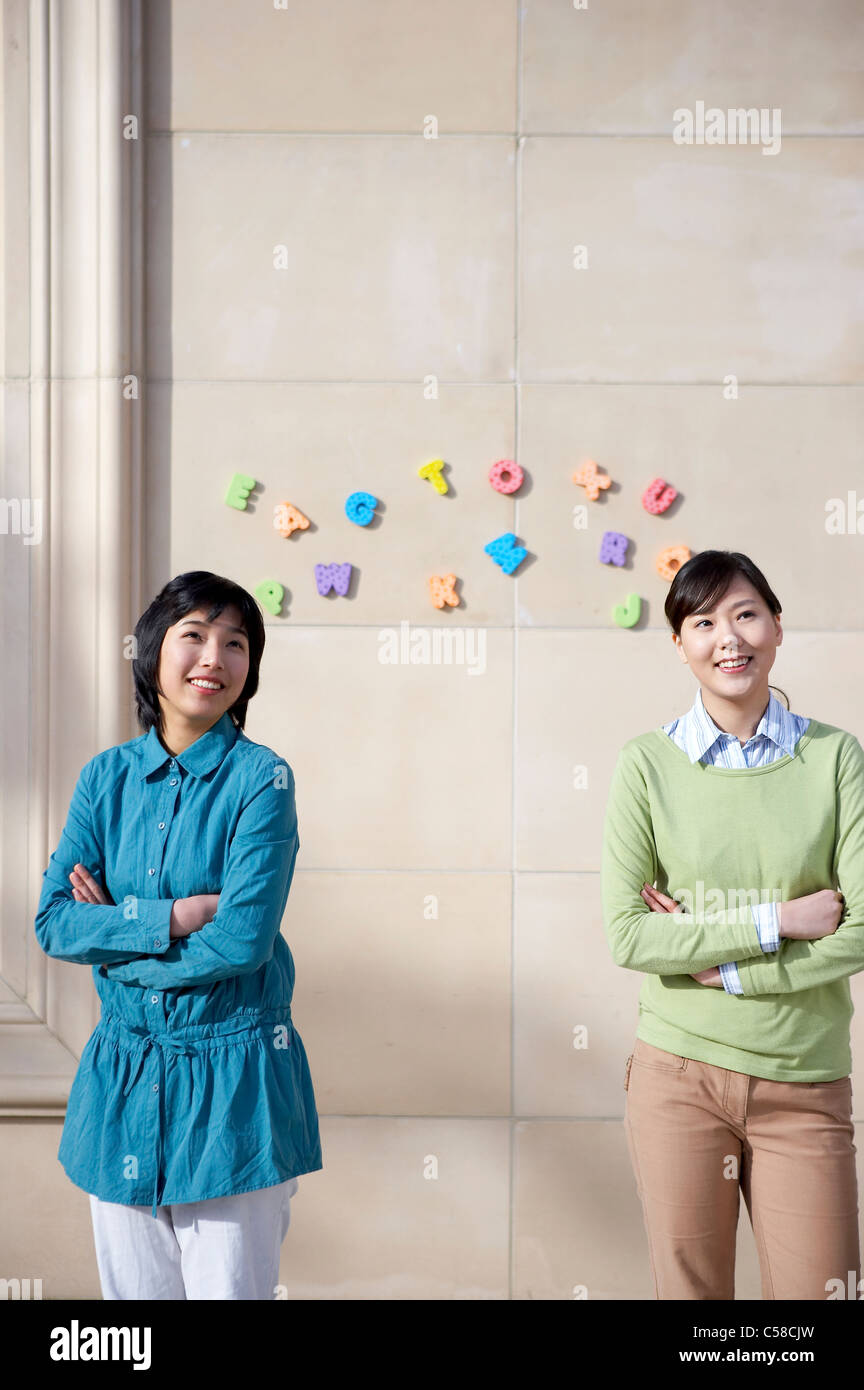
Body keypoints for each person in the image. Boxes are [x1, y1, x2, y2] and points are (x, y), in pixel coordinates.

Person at [34, 570, 322, 1300]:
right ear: (153, 652)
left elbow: (240, 944)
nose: (213, 659)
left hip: (233, 1089)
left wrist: (115, 945)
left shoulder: (263, 782)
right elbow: (54, 922)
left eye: (235, 644)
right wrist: (166, 918)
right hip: (122, 1082)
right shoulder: (106, 779)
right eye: (194, 635)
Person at [601, 549, 862, 1301]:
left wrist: (728, 965)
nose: (728, 638)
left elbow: (862, 927)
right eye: (703, 621)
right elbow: (630, 935)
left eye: (745, 614)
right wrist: (779, 920)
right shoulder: (645, 765)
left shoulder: (836, 758)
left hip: (804, 1081)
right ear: (678, 644)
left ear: (777, 625)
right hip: (677, 1077)